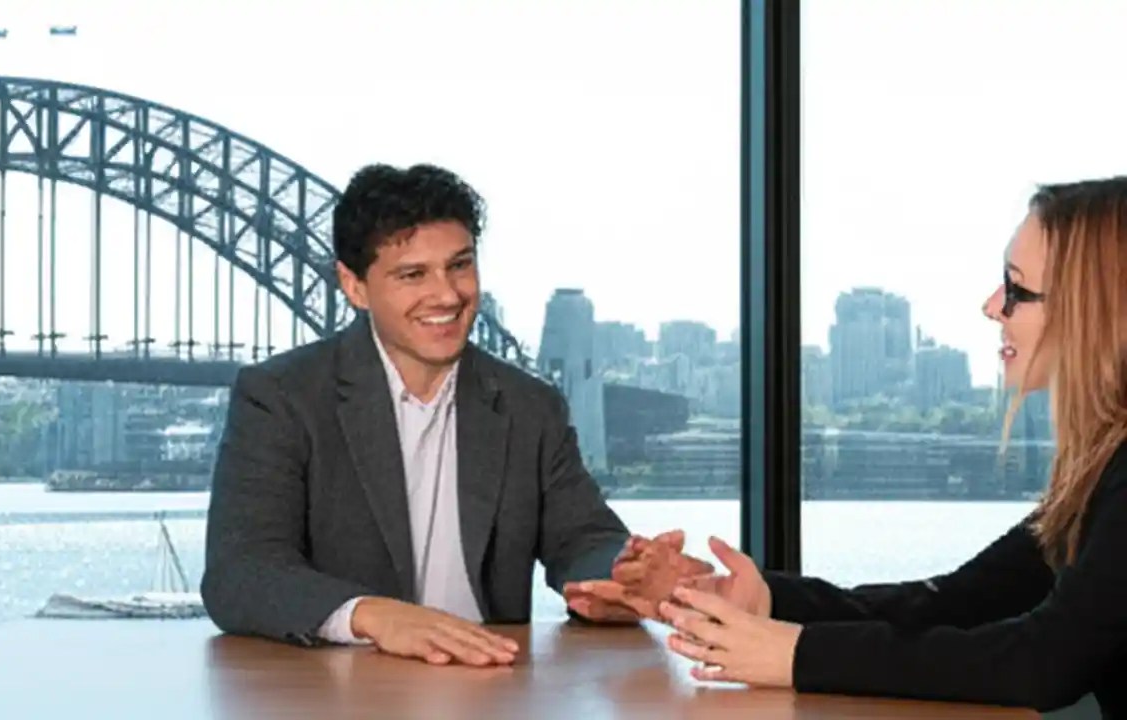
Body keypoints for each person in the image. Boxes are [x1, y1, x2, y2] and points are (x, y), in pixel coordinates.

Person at [644, 176, 1127, 716]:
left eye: (1016, 290)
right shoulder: (1098, 475)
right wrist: (768, 600)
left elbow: (1041, 663)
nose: (992, 306)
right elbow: (958, 600)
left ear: (1093, 311)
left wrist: (798, 656)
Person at [201, 162, 708, 667]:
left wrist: (627, 572)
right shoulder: (282, 397)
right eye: (413, 275)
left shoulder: (529, 405)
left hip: (492, 682)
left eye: (460, 266)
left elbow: (581, 539)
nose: (447, 295)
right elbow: (240, 571)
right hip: (340, 689)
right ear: (354, 286)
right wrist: (371, 614)